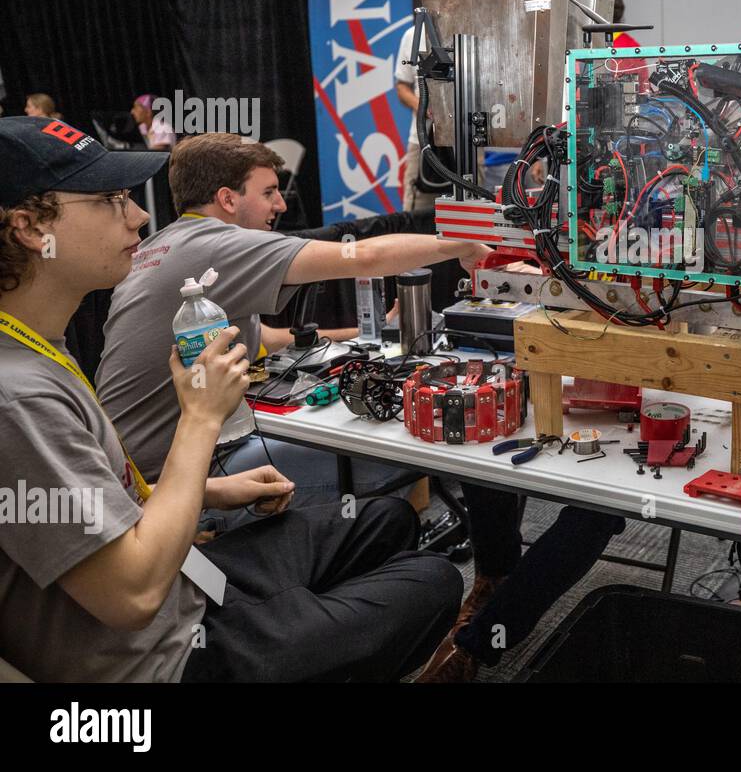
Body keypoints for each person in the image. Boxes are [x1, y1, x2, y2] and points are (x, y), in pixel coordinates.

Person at [0, 115, 461, 681]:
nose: (139, 215)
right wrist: (200, 417)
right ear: (29, 227)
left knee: (385, 518)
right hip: (162, 657)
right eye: (111, 200)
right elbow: (131, 595)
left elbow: (91, 504)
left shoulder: (38, 346)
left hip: (185, 583)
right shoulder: (17, 397)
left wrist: (211, 491)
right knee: (436, 580)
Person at [96, 132, 491, 519]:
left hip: (130, 476)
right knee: (402, 454)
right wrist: (462, 244)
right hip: (175, 480)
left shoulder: (162, 244)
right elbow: (363, 256)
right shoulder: (219, 244)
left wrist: (367, 332)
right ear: (227, 199)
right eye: (268, 192)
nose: (281, 204)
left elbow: (265, 338)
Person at [396, 0, 456, 212]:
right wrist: (422, 107)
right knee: (416, 210)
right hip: (421, 138)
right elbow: (402, 86)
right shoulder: (411, 36)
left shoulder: (470, 31)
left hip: (463, 139)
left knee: (471, 207)